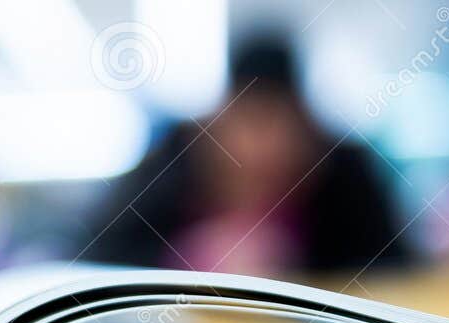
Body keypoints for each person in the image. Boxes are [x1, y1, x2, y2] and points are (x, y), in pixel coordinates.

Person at [81, 33, 410, 274]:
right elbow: (91, 253)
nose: (263, 149)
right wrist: (188, 256)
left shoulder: (345, 169)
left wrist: (295, 262)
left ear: (307, 127)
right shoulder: (172, 161)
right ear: (217, 121)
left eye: (279, 122)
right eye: (249, 121)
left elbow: (399, 265)